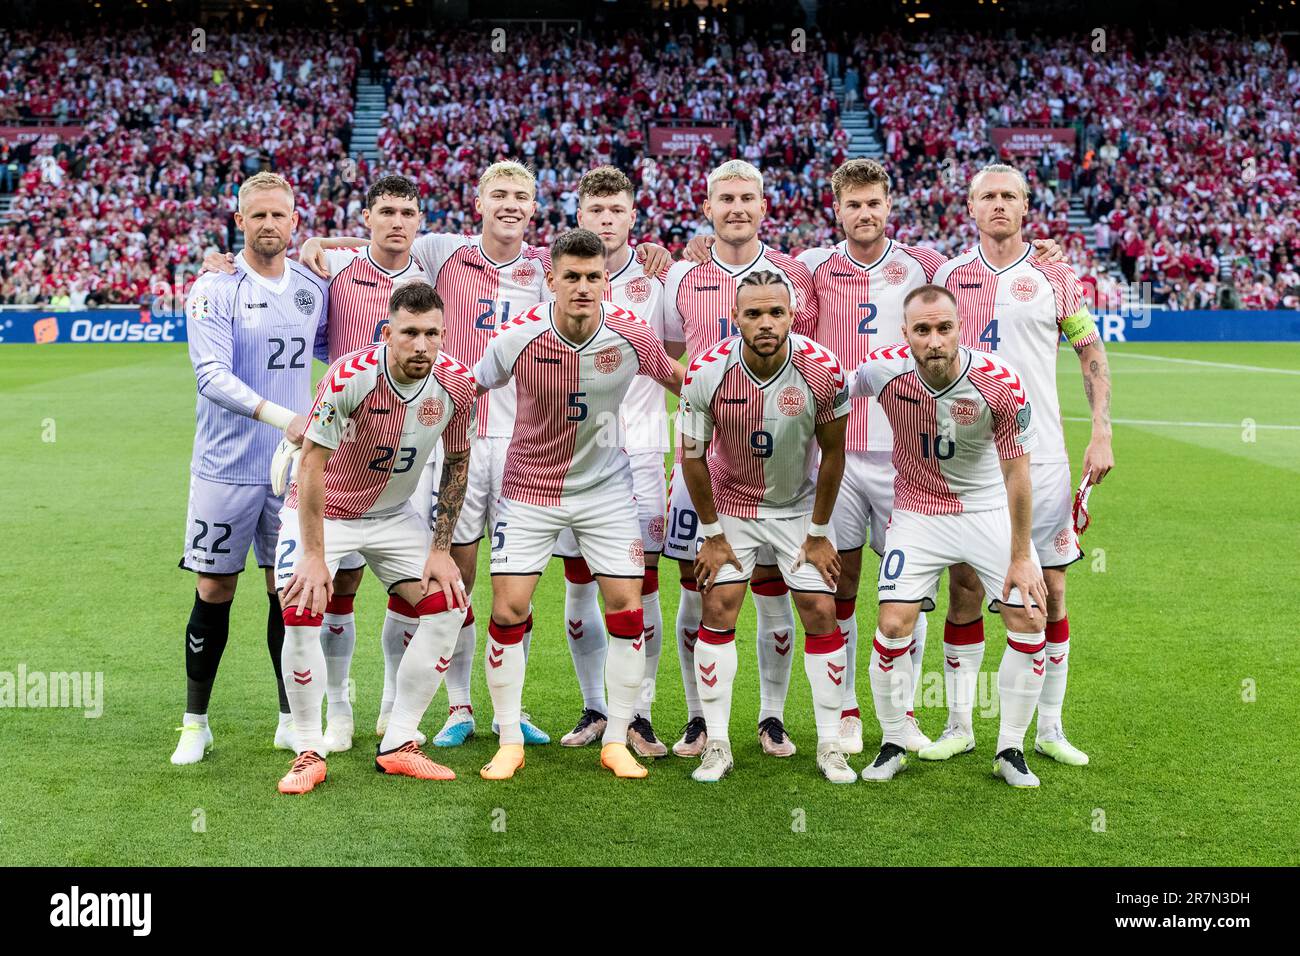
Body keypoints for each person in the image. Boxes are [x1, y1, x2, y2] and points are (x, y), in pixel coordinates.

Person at [472, 228, 683, 781]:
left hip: (607, 491)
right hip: (528, 490)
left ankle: (616, 739)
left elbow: (686, 384)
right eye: (572, 276)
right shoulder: (517, 335)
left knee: (626, 610)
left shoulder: (631, 333)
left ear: (606, 280)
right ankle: (510, 737)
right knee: (508, 610)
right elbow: (465, 386)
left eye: (593, 276)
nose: (583, 286)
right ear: (551, 280)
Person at [931, 164, 1113, 767]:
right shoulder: (948, 274)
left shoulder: (1056, 274)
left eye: (1009, 195)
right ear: (971, 206)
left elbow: (1090, 350)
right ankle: (961, 723)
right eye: (988, 196)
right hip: (969, 462)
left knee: (1052, 590)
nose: (999, 205)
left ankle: (1050, 729)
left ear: (1026, 204)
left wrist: (1102, 430)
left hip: (1043, 457)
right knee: (963, 589)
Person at [273, 282, 476, 794]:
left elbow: (457, 463)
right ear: (388, 333)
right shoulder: (350, 377)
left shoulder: (456, 385)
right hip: (324, 513)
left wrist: (439, 549)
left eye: (432, 333)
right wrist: (316, 555)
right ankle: (306, 748)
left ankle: (399, 742)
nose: (422, 345)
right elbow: (312, 462)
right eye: (409, 333)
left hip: (392, 514)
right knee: (300, 606)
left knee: (450, 604)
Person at [849, 284, 1051, 788]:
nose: (935, 340)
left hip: (985, 510)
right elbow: (826, 394)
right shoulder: (880, 371)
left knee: (1028, 617)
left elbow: (1018, 473)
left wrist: (1022, 555)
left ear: (961, 327)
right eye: (922, 330)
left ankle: (1011, 748)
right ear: (906, 335)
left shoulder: (997, 381)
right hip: (917, 514)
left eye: (944, 328)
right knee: (893, 624)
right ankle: (894, 741)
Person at [663, 159, 819, 761]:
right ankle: (701, 720)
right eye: (724, 199)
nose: (736, 208)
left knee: (775, 586)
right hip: (705, 460)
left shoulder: (792, 275)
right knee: (700, 585)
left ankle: (772, 717)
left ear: (763, 205)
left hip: (782, 462)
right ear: (707, 208)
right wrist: (716, 407)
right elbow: (668, 358)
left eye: (746, 198)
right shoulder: (682, 274)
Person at [171, 172, 328, 765]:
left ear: (294, 221)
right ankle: (195, 723)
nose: (269, 225)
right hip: (225, 467)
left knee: (284, 593)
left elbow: (332, 346)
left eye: (279, 215)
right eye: (257, 215)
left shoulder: (313, 289)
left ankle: (290, 718)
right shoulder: (215, 288)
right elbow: (210, 376)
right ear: (240, 222)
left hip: (289, 472)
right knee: (215, 588)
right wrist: (284, 415)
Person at [680, 270, 855, 784]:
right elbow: (692, 457)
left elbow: (834, 452)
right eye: (753, 313)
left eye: (775, 312)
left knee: (822, 609)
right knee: (717, 604)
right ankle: (717, 743)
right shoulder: (707, 372)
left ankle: (829, 745)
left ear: (792, 314)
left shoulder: (822, 369)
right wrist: (712, 534)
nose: (765, 323)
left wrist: (820, 530)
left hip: (797, 508)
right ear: (735, 317)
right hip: (732, 508)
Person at [535, 166, 682, 757]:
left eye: (616, 211)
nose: (606, 220)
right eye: (595, 211)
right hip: (568, 457)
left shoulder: (657, 282)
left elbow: (676, 365)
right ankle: (595, 705)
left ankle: (639, 713)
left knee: (640, 585)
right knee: (578, 584)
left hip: (641, 452)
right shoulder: (561, 274)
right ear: (579, 217)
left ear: (632, 216)